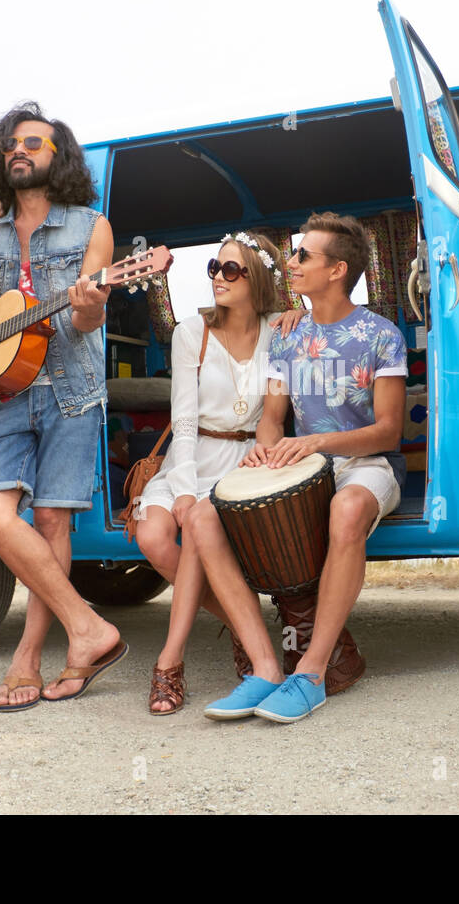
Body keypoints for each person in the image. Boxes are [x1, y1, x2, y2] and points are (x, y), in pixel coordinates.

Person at [0, 102, 126, 712]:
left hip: (71, 390)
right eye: (12, 143)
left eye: (34, 143)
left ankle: (28, 657)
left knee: (51, 524)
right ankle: (89, 628)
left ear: (57, 156)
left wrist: (89, 304)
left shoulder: (92, 227)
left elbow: (89, 316)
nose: (21, 150)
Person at [184, 212, 408, 724]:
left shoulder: (382, 335)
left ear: (337, 269)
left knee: (348, 510)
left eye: (304, 255)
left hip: (364, 465)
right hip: (303, 464)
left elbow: (390, 431)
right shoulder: (287, 336)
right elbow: (273, 416)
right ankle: (264, 667)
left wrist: (317, 442)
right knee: (201, 517)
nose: (292, 262)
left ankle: (310, 672)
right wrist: (266, 449)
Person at [137, 232, 305, 715]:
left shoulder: (280, 330)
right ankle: (240, 622)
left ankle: (169, 663)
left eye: (231, 270)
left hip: (244, 461)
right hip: (192, 456)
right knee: (152, 536)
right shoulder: (192, 332)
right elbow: (184, 420)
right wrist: (184, 489)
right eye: (215, 267)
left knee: (196, 529)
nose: (218, 278)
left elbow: (275, 414)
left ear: (255, 279)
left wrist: (300, 314)